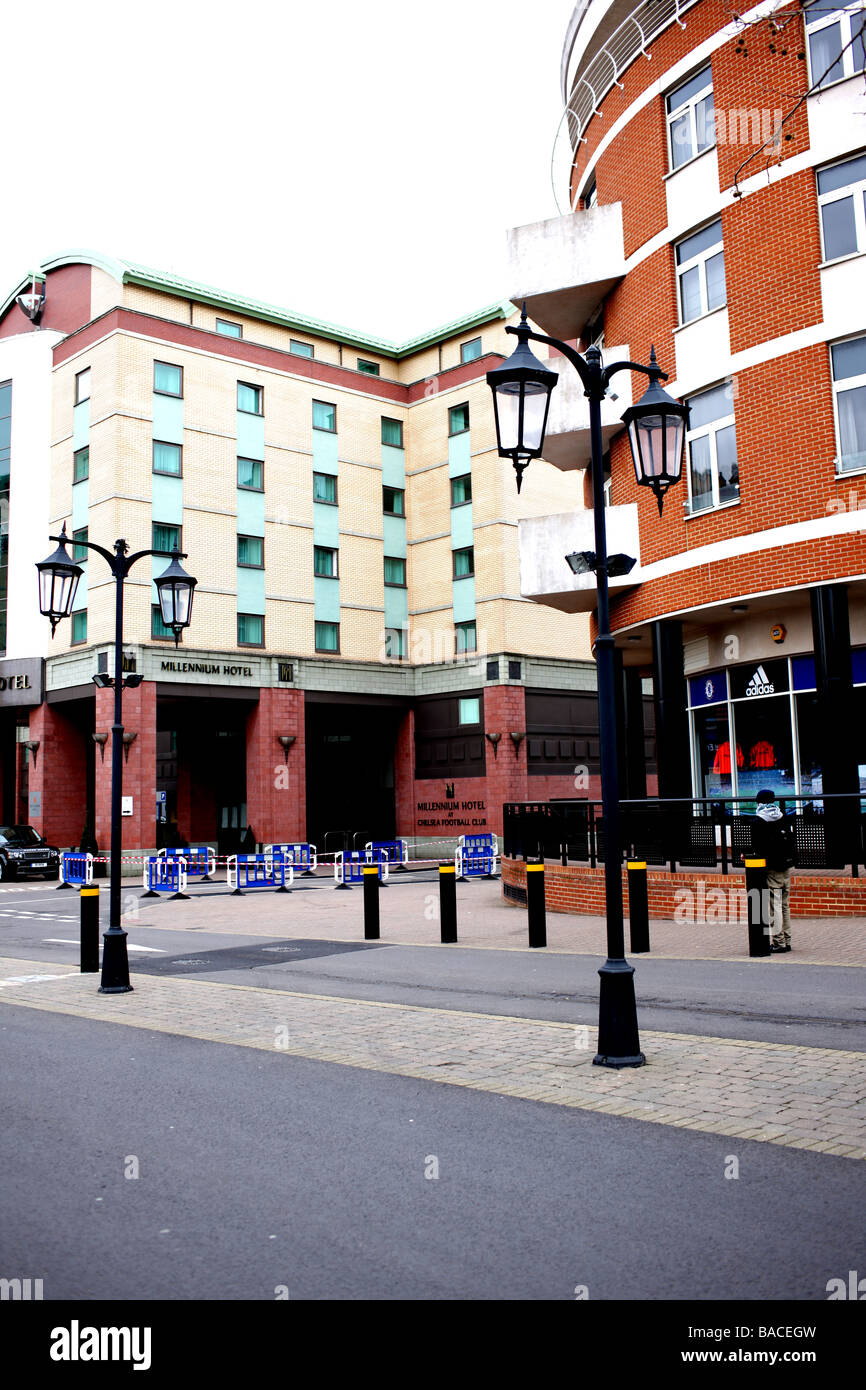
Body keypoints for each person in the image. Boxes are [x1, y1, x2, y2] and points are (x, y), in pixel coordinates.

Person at [751, 789, 796, 953]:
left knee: (774, 906)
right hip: (785, 867)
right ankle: (787, 939)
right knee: (784, 905)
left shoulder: (759, 821)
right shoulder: (782, 816)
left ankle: (778, 942)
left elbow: (757, 848)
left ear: (759, 802)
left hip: (772, 869)